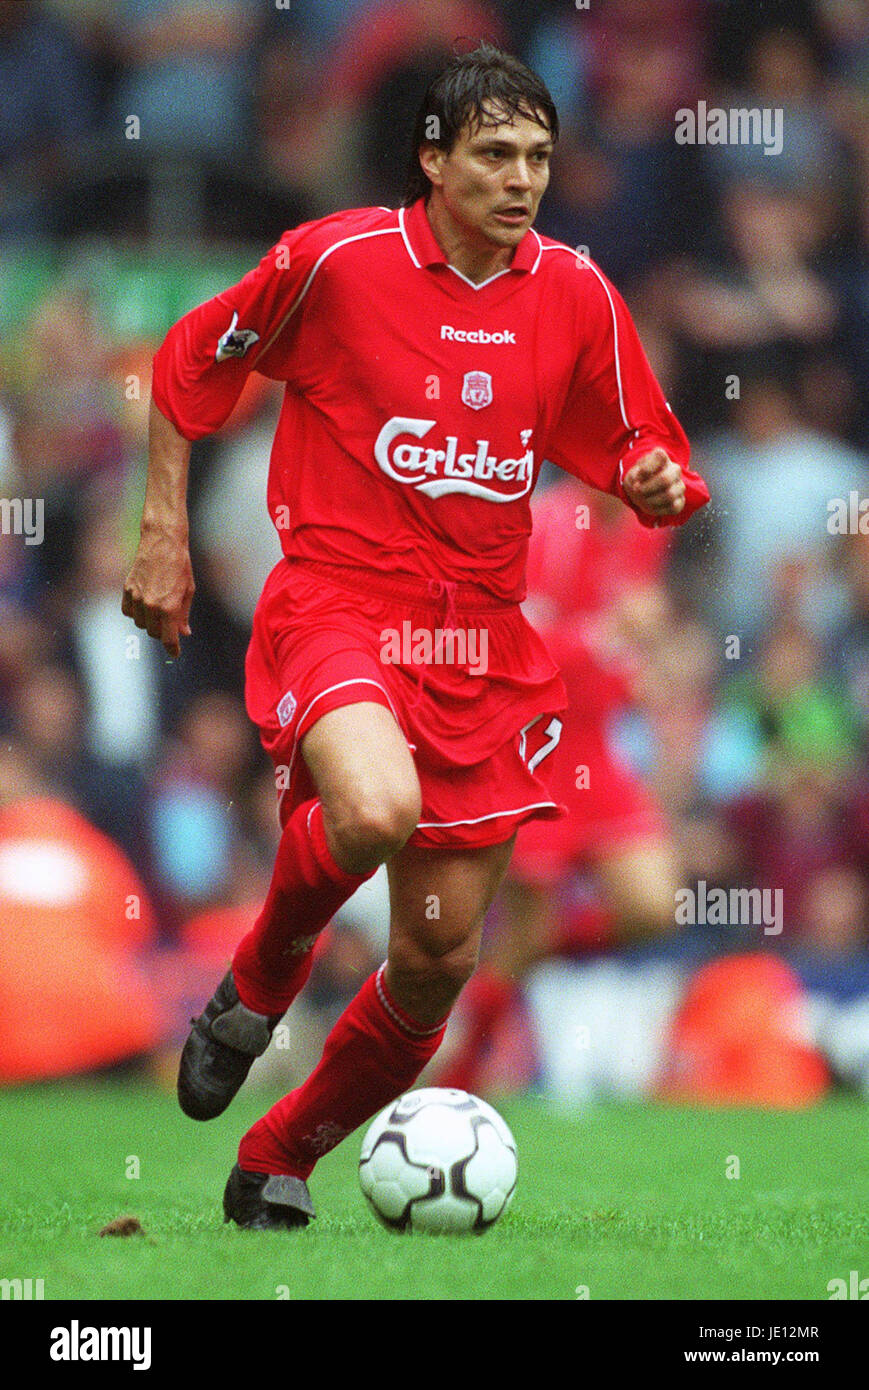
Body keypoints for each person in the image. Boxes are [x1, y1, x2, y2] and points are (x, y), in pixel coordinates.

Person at [122, 44, 709, 1230]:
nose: (520, 178)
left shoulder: (576, 294)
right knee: (373, 806)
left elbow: (652, 453)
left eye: (538, 156)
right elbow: (192, 356)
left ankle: (277, 1152)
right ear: (431, 160)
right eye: (493, 153)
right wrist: (162, 531)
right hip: (338, 601)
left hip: (482, 648)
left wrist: (654, 482)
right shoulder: (336, 260)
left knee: (436, 961)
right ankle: (260, 975)